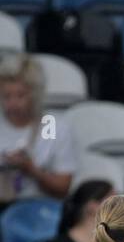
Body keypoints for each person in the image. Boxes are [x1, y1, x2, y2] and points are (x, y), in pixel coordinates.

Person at [0, 52, 75, 202]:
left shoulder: (55, 127)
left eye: (20, 95)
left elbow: (63, 187)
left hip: (40, 208)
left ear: (35, 95)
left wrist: (31, 169)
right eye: (6, 96)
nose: (13, 104)